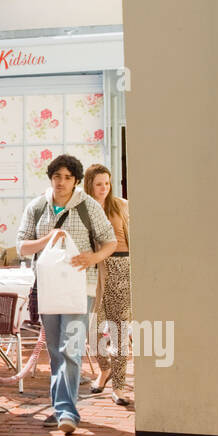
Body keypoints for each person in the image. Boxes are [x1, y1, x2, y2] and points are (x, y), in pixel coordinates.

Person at [16, 154, 116, 436]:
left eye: (68, 178)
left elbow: (110, 242)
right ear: (51, 178)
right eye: (57, 176)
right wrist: (48, 239)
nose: (61, 182)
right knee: (55, 352)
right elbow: (22, 246)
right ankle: (62, 407)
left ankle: (67, 412)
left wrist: (92, 257)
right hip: (48, 289)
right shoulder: (37, 207)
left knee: (71, 348)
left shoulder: (88, 207)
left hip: (79, 288)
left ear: (75, 181)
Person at [84, 163, 132, 405]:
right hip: (97, 272)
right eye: (99, 184)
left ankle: (120, 386)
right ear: (90, 185)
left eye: (107, 183)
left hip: (123, 268)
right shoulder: (85, 209)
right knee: (92, 330)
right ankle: (104, 370)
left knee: (120, 331)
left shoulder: (121, 205)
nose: (104, 188)